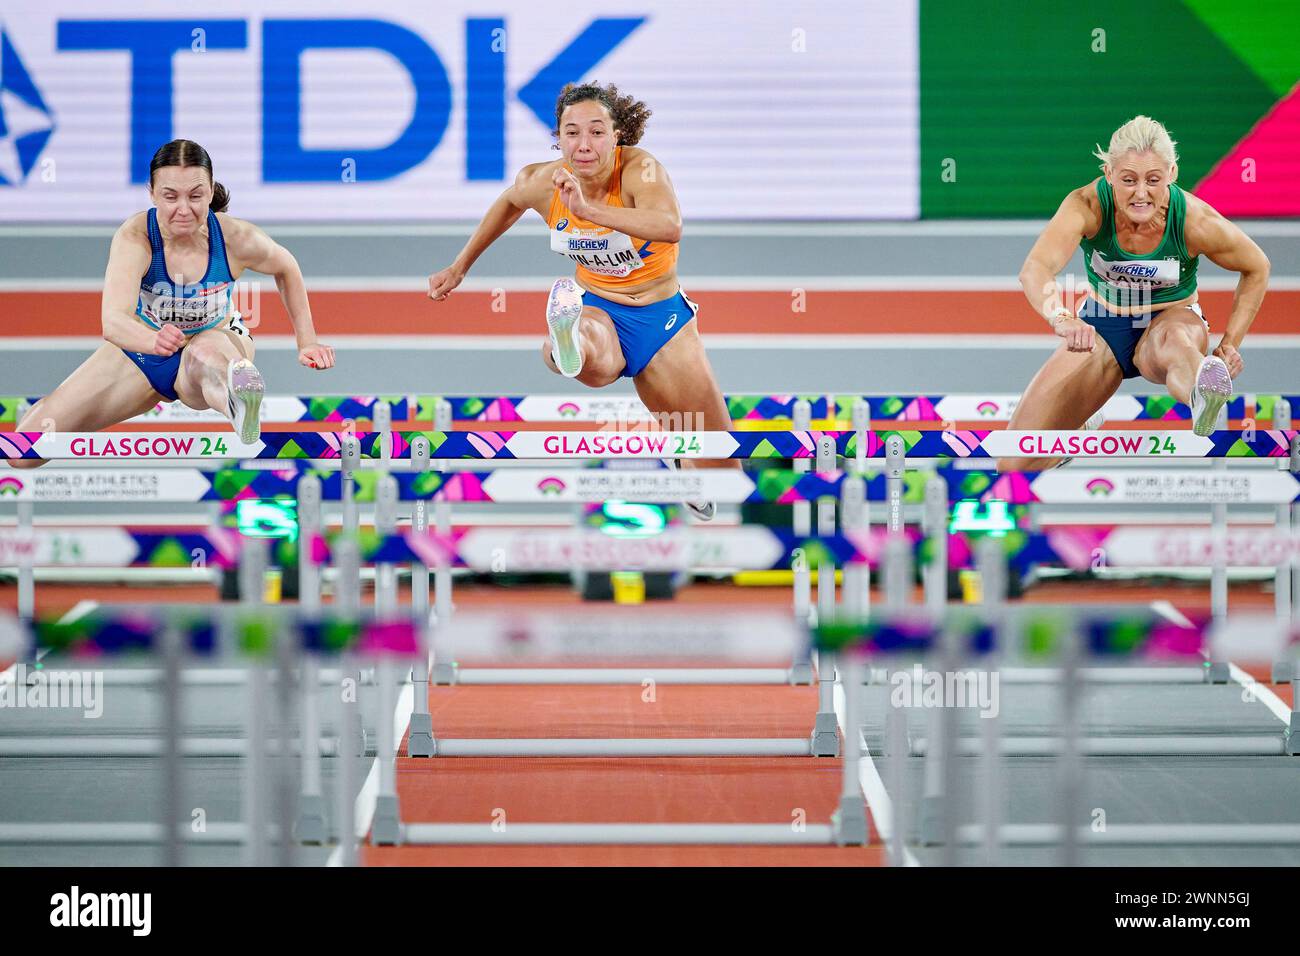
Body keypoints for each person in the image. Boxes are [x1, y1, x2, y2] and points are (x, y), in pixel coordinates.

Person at [428, 82, 730, 519]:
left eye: (596, 132)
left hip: (663, 319)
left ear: (616, 135)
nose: (583, 144)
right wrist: (459, 266)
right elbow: (509, 203)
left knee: (723, 463)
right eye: (571, 133)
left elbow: (669, 225)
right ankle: (563, 342)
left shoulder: (640, 170)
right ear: (559, 137)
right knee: (595, 362)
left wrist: (590, 212)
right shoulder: (542, 182)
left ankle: (681, 456)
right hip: (599, 306)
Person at [8, 139, 334, 469]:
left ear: (210, 192)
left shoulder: (237, 238)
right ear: (151, 192)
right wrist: (153, 340)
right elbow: (114, 322)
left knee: (203, 360)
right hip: (143, 348)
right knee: (26, 452)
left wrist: (306, 341)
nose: (183, 209)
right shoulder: (136, 237)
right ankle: (233, 397)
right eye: (170, 196)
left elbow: (286, 267)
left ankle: (238, 404)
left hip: (218, 334)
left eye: (195, 196)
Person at [1000, 116, 1269, 471]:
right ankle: (1080, 431)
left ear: (1172, 173)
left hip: (1171, 319)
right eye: (1128, 180)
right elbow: (1035, 269)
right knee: (1014, 462)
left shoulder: (1194, 221)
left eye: (1153, 180)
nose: (1141, 194)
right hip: (1102, 327)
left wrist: (1230, 343)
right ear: (1109, 174)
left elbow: (1257, 267)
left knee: (1174, 343)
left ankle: (1203, 392)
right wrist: (1062, 318)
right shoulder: (1087, 207)